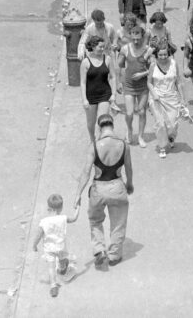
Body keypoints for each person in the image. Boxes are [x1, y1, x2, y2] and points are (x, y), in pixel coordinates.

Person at [75, 114, 133, 269]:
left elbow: (86, 172)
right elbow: (128, 168)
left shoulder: (94, 146)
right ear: (112, 126)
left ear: (99, 128)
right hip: (117, 187)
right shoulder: (123, 145)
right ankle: (114, 255)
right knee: (118, 223)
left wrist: (78, 194)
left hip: (98, 190)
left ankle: (100, 249)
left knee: (95, 220)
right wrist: (129, 184)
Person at [147, 39, 190, 159]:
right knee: (160, 123)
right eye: (160, 55)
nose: (163, 57)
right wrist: (154, 94)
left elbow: (179, 82)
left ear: (168, 53)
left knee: (172, 124)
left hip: (172, 97)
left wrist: (183, 99)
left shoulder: (173, 63)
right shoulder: (153, 66)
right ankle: (162, 146)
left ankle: (171, 137)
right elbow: (149, 83)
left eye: (165, 54)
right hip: (157, 98)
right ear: (156, 55)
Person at [32, 194, 80, 297]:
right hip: (61, 247)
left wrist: (34, 245)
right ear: (61, 208)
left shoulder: (44, 222)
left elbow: (38, 236)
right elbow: (74, 218)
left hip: (49, 249)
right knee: (62, 259)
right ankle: (63, 268)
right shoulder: (63, 218)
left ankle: (53, 286)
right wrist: (78, 207)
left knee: (51, 267)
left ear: (48, 207)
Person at [118, 24, 150, 147]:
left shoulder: (147, 49)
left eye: (138, 39)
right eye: (133, 38)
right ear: (130, 36)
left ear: (142, 37)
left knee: (142, 112)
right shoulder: (125, 49)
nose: (136, 41)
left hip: (143, 87)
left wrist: (142, 74)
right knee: (130, 113)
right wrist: (120, 82)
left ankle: (141, 136)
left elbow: (153, 68)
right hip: (129, 85)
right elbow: (120, 66)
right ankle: (130, 130)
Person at [80, 36, 114, 142]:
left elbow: (113, 77)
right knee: (91, 123)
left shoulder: (107, 59)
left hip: (105, 94)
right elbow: (83, 82)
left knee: (102, 120)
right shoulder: (85, 62)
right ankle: (92, 138)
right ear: (93, 47)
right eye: (100, 47)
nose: (102, 49)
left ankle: (101, 141)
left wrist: (113, 94)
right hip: (90, 96)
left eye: (104, 47)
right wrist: (84, 99)